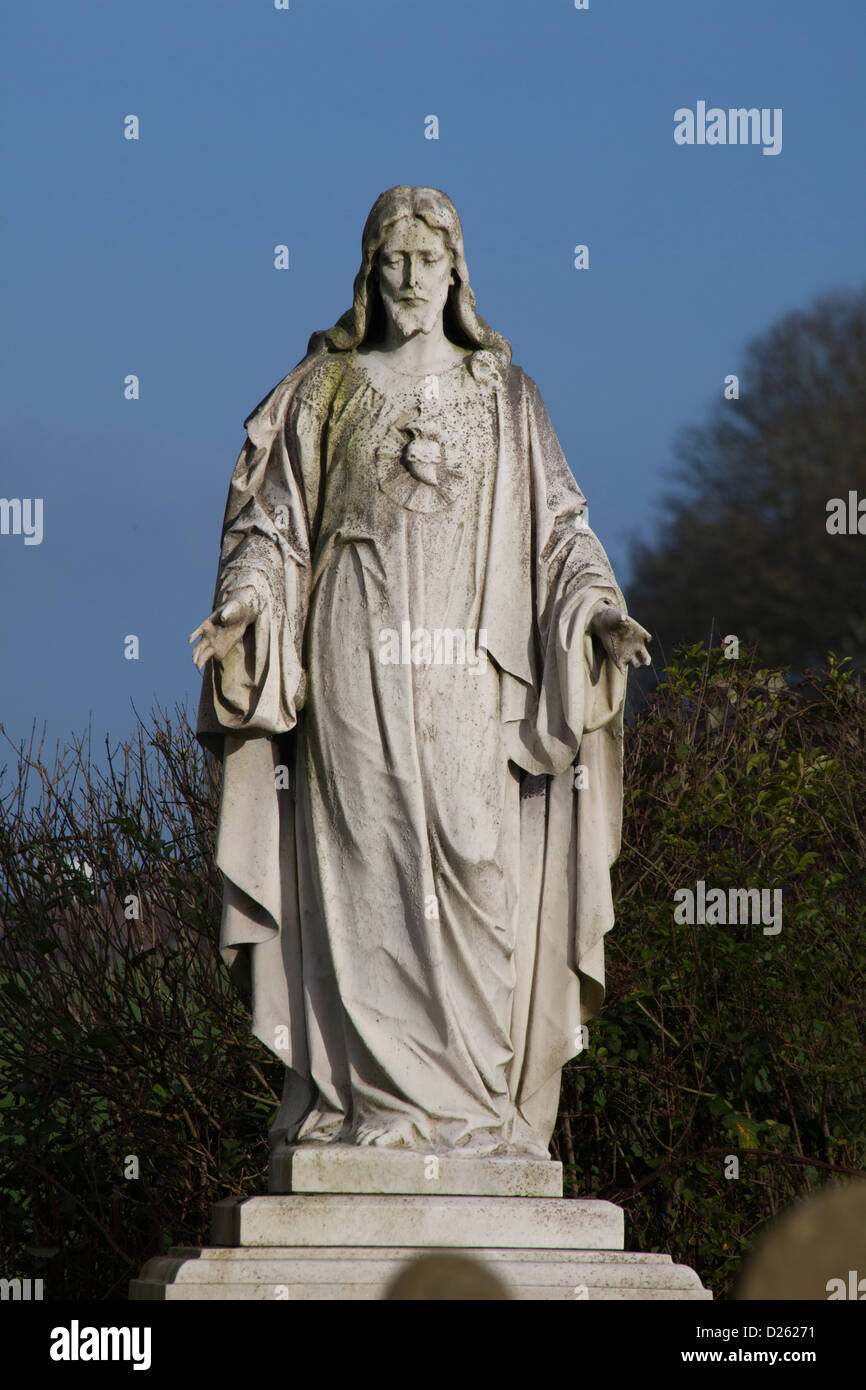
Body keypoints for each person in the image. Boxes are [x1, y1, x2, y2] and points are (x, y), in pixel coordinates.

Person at [191, 185, 650, 1159]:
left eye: (425, 261)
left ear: (455, 273)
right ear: (368, 272)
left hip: (470, 668)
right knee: (365, 864)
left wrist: (595, 613)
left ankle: (477, 1113)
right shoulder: (321, 389)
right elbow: (271, 528)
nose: (407, 278)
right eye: (391, 261)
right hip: (351, 647)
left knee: (476, 857)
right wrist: (246, 605)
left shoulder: (506, 394)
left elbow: (561, 532)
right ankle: (366, 1106)